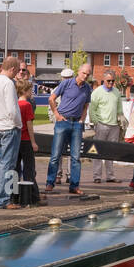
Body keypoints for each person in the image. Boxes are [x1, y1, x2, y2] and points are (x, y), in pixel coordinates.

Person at [45, 64, 91, 195]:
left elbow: (86, 106)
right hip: (63, 121)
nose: (86, 76)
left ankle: (74, 185)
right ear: (78, 72)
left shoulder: (87, 88)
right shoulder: (67, 83)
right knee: (55, 155)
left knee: (76, 157)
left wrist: (82, 119)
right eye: (84, 73)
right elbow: (51, 98)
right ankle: (50, 182)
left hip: (76, 123)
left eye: (88, 74)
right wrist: (57, 115)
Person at [0, 55, 23, 209]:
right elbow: (12, 109)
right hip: (9, 127)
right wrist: (18, 124)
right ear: (13, 69)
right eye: (16, 71)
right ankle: (3, 200)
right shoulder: (8, 83)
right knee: (7, 165)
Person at [89, 70, 124, 182]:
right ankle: (97, 176)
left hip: (114, 126)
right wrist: (96, 122)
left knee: (111, 152)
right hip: (101, 125)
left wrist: (121, 118)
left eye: (113, 81)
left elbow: (119, 109)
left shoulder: (117, 92)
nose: (111, 83)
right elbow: (92, 109)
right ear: (103, 80)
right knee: (97, 151)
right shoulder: (96, 92)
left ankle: (110, 176)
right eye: (108, 80)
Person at [16, 76, 39, 195]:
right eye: (30, 90)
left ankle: (14, 193)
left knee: (15, 167)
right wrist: (33, 141)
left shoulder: (15, 104)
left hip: (16, 140)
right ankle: (31, 193)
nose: (31, 92)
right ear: (25, 91)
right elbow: (29, 124)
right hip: (25, 139)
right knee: (29, 168)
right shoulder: (27, 105)